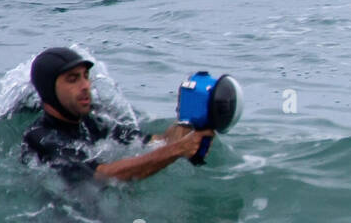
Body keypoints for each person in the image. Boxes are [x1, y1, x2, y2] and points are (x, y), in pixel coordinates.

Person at [20, 47, 214, 183]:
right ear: (48, 90)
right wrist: (178, 149)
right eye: (73, 79)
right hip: (64, 222)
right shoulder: (40, 137)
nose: (85, 86)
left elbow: (156, 141)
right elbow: (102, 176)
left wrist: (190, 122)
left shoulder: (92, 122)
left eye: (86, 77)